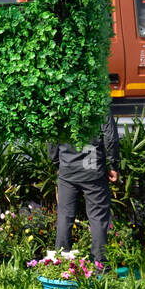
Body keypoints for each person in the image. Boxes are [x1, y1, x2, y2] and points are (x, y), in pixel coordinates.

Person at [49, 112, 120, 261]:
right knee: (98, 218)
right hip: (92, 168)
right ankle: (100, 266)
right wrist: (113, 165)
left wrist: (57, 163)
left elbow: (51, 138)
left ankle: (61, 264)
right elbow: (111, 138)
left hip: (67, 169)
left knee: (65, 216)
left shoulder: (60, 104)